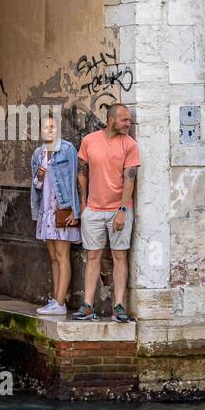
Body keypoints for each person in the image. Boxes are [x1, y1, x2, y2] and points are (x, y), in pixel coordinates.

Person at [74, 103, 139, 322]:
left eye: (129, 120)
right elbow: (81, 171)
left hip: (119, 210)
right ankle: (88, 306)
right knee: (93, 256)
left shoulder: (129, 145)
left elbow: (130, 179)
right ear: (112, 120)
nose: (129, 124)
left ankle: (119, 306)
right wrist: (84, 205)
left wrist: (122, 210)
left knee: (119, 256)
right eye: (125, 120)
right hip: (93, 210)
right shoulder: (89, 141)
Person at [30, 115, 80, 316]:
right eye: (45, 127)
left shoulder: (67, 149)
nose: (49, 130)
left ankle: (60, 302)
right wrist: (39, 177)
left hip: (63, 210)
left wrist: (75, 211)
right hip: (46, 210)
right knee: (52, 257)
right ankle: (56, 300)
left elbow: (76, 180)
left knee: (62, 255)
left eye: (52, 126)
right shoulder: (38, 153)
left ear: (57, 128)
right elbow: (36, 185)